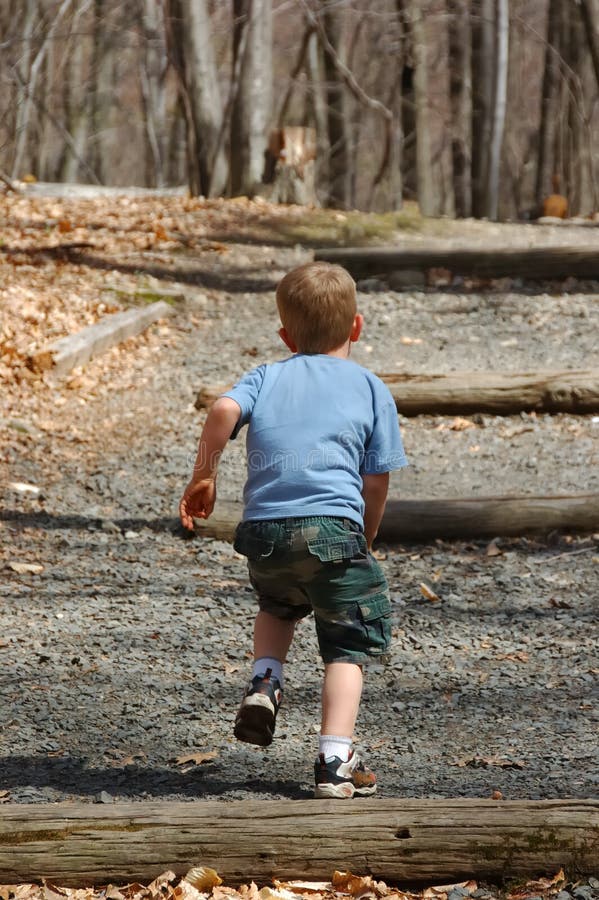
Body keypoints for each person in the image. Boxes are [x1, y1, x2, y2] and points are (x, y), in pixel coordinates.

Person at [179, 261, 407, 798]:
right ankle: (334, 760)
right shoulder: (372, 389)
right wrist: (365, 540)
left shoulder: (265, 376)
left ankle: (265, 679)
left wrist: (205, 474)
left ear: (285, 336)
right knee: (346, 644)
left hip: (264, 534)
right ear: (357, 326)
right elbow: (375, 484)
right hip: (334, 531)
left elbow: (222, 409)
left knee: (278, 603)